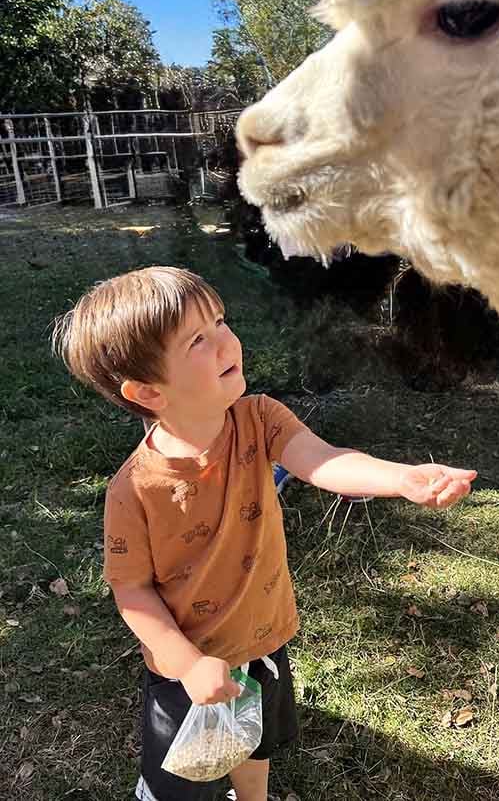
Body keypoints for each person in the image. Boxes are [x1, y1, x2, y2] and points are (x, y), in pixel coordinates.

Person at [53, 266, 477, 801]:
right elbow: (132, 591)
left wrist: (401, 478)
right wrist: (188, 665)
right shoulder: (133, 489)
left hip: (263, 639)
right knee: (180, 782)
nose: (226, 340)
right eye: (197, 340)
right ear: (148, 391)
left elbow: (322, 460)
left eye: (220, 321)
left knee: (255, 742)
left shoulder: (260, 419)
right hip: (186, 670)